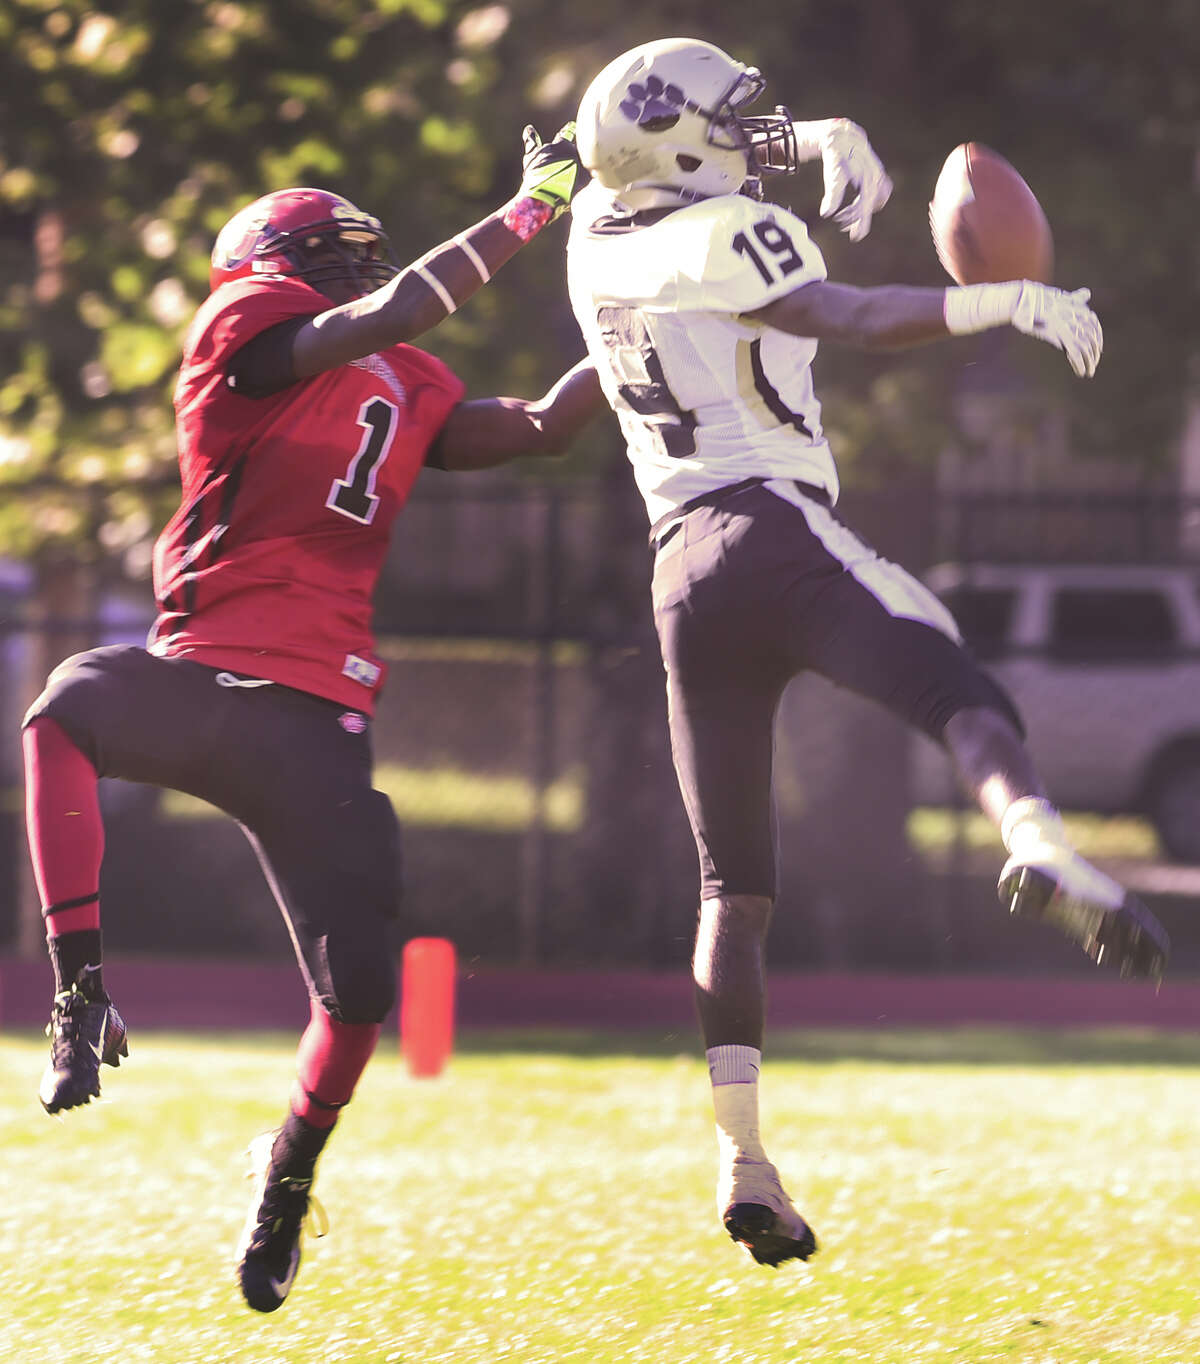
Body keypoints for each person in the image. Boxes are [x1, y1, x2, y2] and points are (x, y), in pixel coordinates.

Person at [564, 37, 1170, 1271]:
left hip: (680, 566)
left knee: (732, 887)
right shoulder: (728, 237)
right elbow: (837, 310)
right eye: (735, 120)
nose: (754, 130)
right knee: (957, 683)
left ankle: (743, 1157)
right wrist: (1000, 302)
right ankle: (1039, 838)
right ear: (684, 148)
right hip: (774, 526)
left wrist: (817, 138)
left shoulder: (593, 226)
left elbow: (678, 165)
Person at [23, 123, 603, 1313]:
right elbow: (386, 312)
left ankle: (287, 1175)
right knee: (66, 707)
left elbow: (541, 424)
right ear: (282, 261)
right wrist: (533, 209)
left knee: (361, 994)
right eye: (336, 253)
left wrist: (649, 332)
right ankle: (80, 988)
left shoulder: (406, 370)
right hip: (206, 675)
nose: (348, 269)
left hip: (320, 708)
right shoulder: (250, 327)